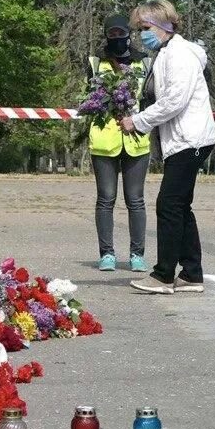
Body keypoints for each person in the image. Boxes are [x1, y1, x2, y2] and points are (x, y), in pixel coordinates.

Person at [121, 0, 215, 295]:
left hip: (191, 140)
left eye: (145, 28)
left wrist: (138, 121)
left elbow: (174, 101)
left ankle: (164, 275)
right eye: (139, 29)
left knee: (169, 205)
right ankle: (191, 274)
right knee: (180, 206)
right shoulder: (164, 53)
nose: (141, 35)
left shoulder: (180, 55)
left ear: (163, 26)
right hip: (182, 141)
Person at [87, 14, 151, 273]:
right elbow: (86, 97)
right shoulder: (94, 62)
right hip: (104, 139)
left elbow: (150, 97)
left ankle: (137, 254)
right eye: (111, 35)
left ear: (128, 33)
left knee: (135, 199)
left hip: (136, 138)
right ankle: (107, 254)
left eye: (120, 34)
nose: (117, 39)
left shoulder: (144, 61)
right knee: (106, 198)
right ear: (105, 35)